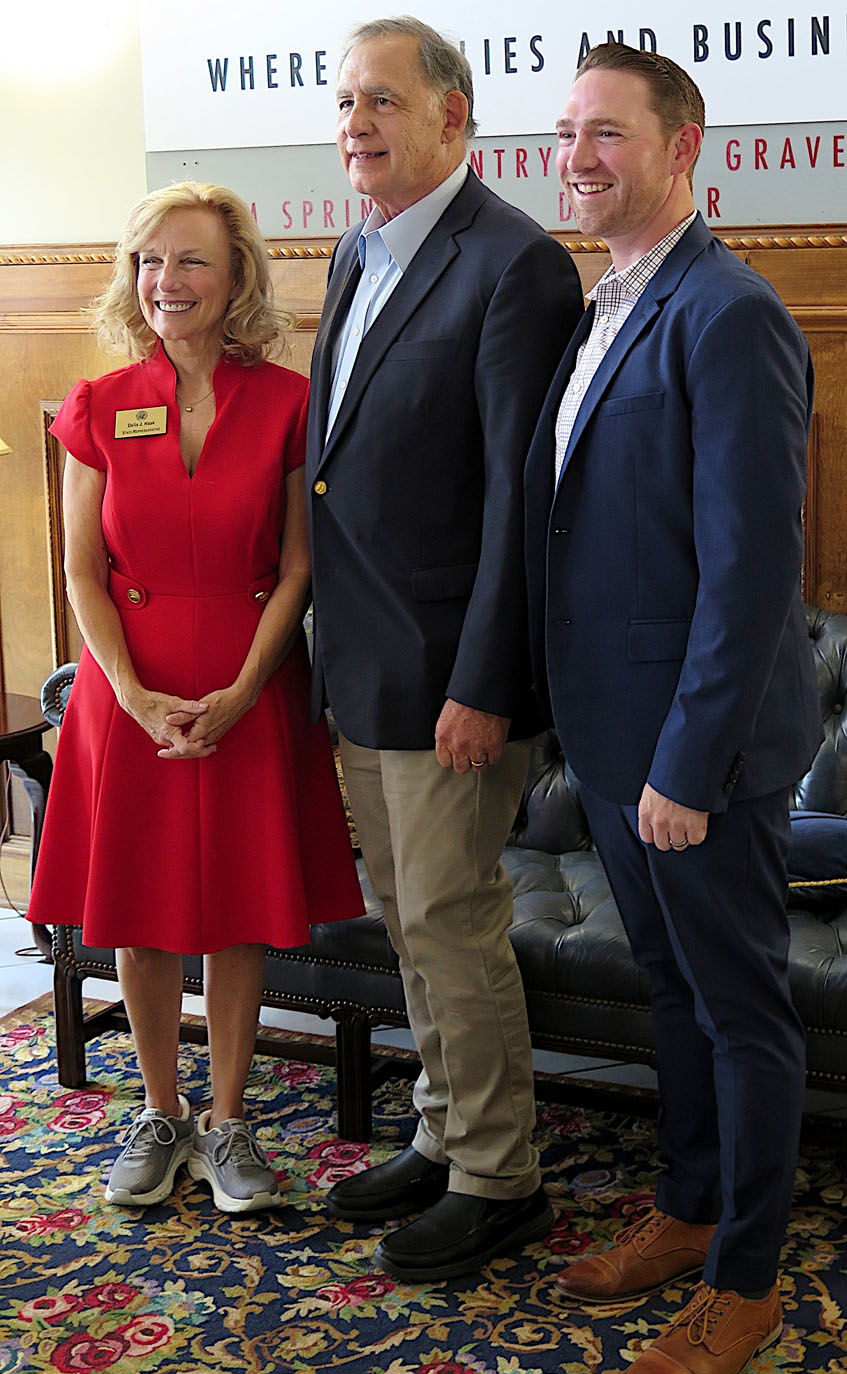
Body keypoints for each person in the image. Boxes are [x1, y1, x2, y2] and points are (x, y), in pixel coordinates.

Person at [524, 42, 822, 1374]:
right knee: (673, 998)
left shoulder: (726, 310)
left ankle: (743, 1285)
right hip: (611, 737)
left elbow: (753, 571)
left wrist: (686, 763)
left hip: (692, 759)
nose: (576, 156)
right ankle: (690, 1206)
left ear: (682, 145)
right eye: (566, 130)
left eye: (607, 132)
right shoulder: (605, 303)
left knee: (740, 1014)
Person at [305, 16, 584, 1281]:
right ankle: (442, 1128)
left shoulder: (513, 265)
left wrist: (484, 679)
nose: (354, 122)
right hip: (358, 661)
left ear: (453, 118)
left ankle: (497, 1176)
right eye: (343, 102)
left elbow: (524, 500)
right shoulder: (355, 249)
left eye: (379, 101)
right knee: (403, 918)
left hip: (449, 678)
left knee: (453, 918)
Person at [27, 181, 362, 1216]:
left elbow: (301, 569)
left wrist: (242, 688)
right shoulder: (95, 402)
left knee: (236, 918)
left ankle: (228, 1122)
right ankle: (160, 1112)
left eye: (190, 262)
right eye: (148, 262)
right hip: (128, 692)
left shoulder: (290, 402)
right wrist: (128, 693)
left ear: (236, 279)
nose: (165, 282)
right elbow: (83, 571)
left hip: (248, 679)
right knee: (140, 905)